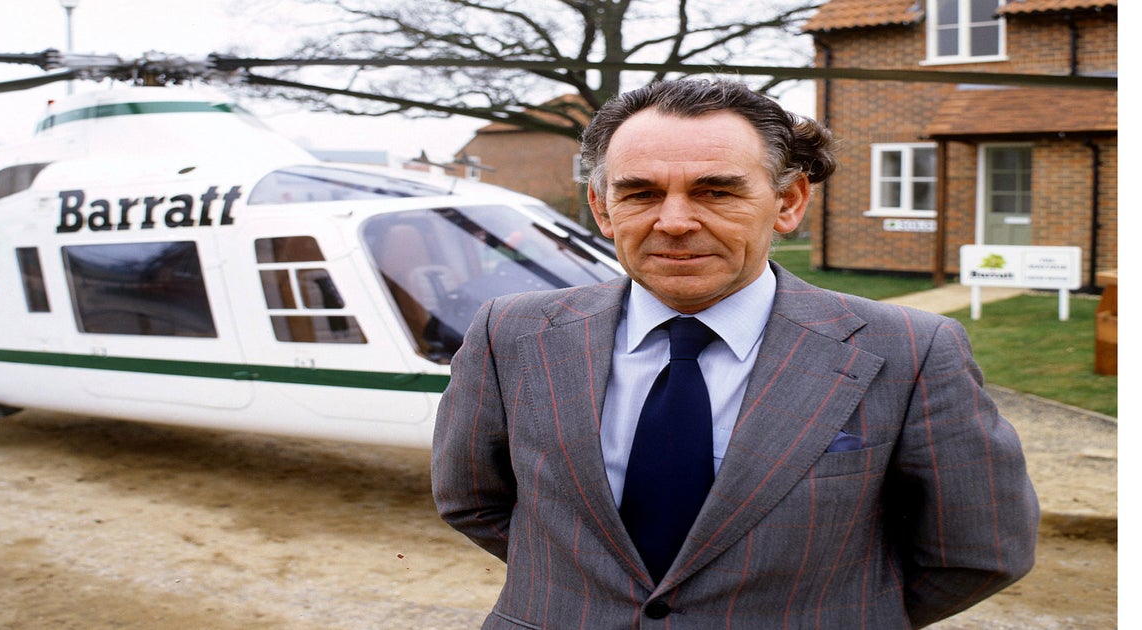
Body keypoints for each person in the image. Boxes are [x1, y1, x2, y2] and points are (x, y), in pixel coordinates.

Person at [432, 78, 1038, 629]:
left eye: (716, 191)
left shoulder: (909, 351)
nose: (674, 221)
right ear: (601, 208)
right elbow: (472, 501)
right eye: (640, 193)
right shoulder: (512, 333)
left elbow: (979, 550)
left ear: (789, 202)